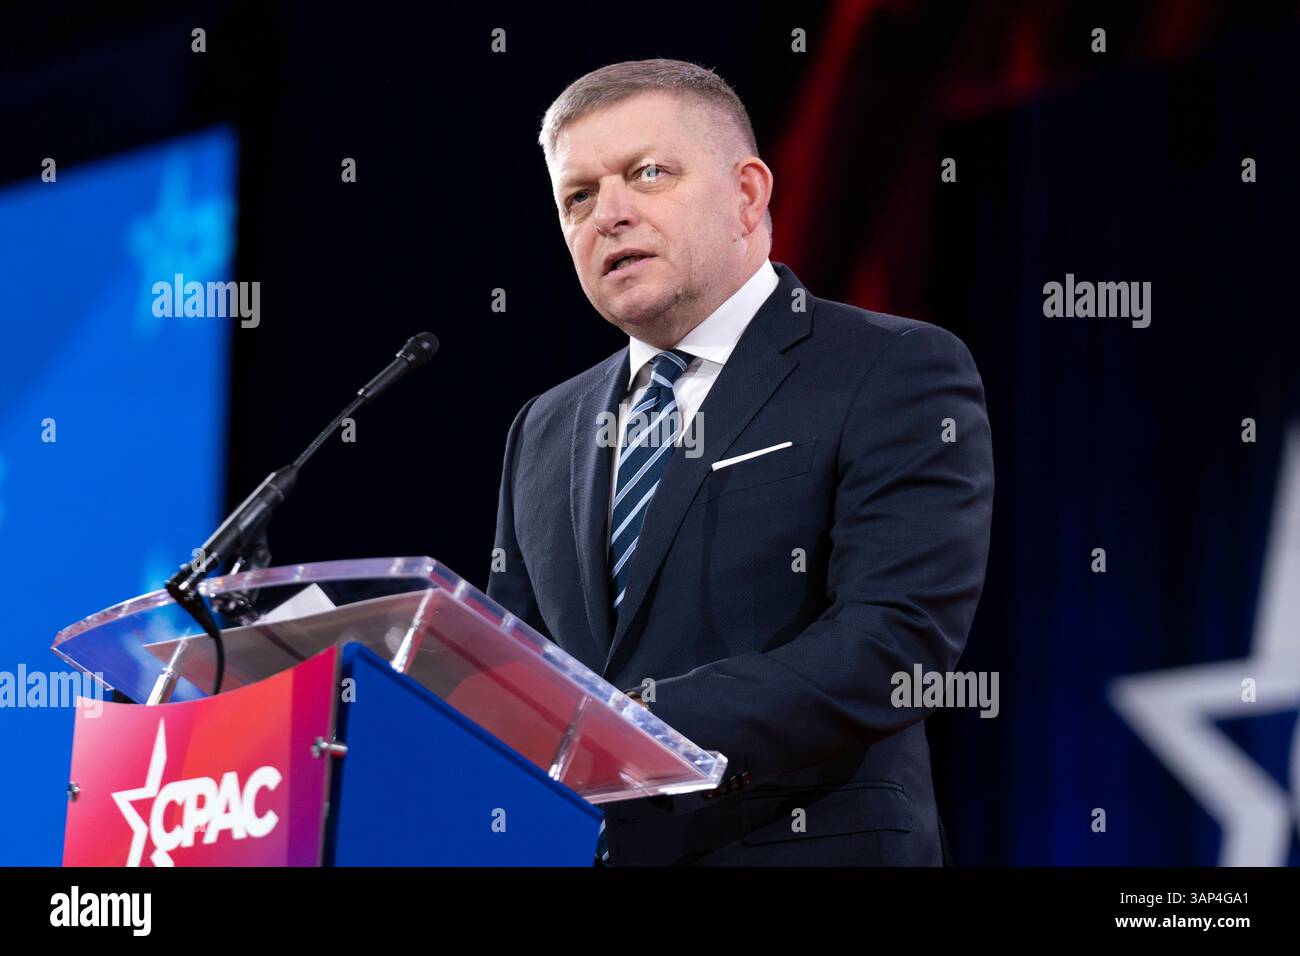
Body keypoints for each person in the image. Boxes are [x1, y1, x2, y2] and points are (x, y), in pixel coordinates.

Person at [488, 58, 994, 865]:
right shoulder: (544, 427)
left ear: (748, 194)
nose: (608, 214)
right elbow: (517, 673)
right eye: (577, 197)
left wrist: (631, 728)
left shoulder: (891, 366)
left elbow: (897, 642)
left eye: (647, 173)